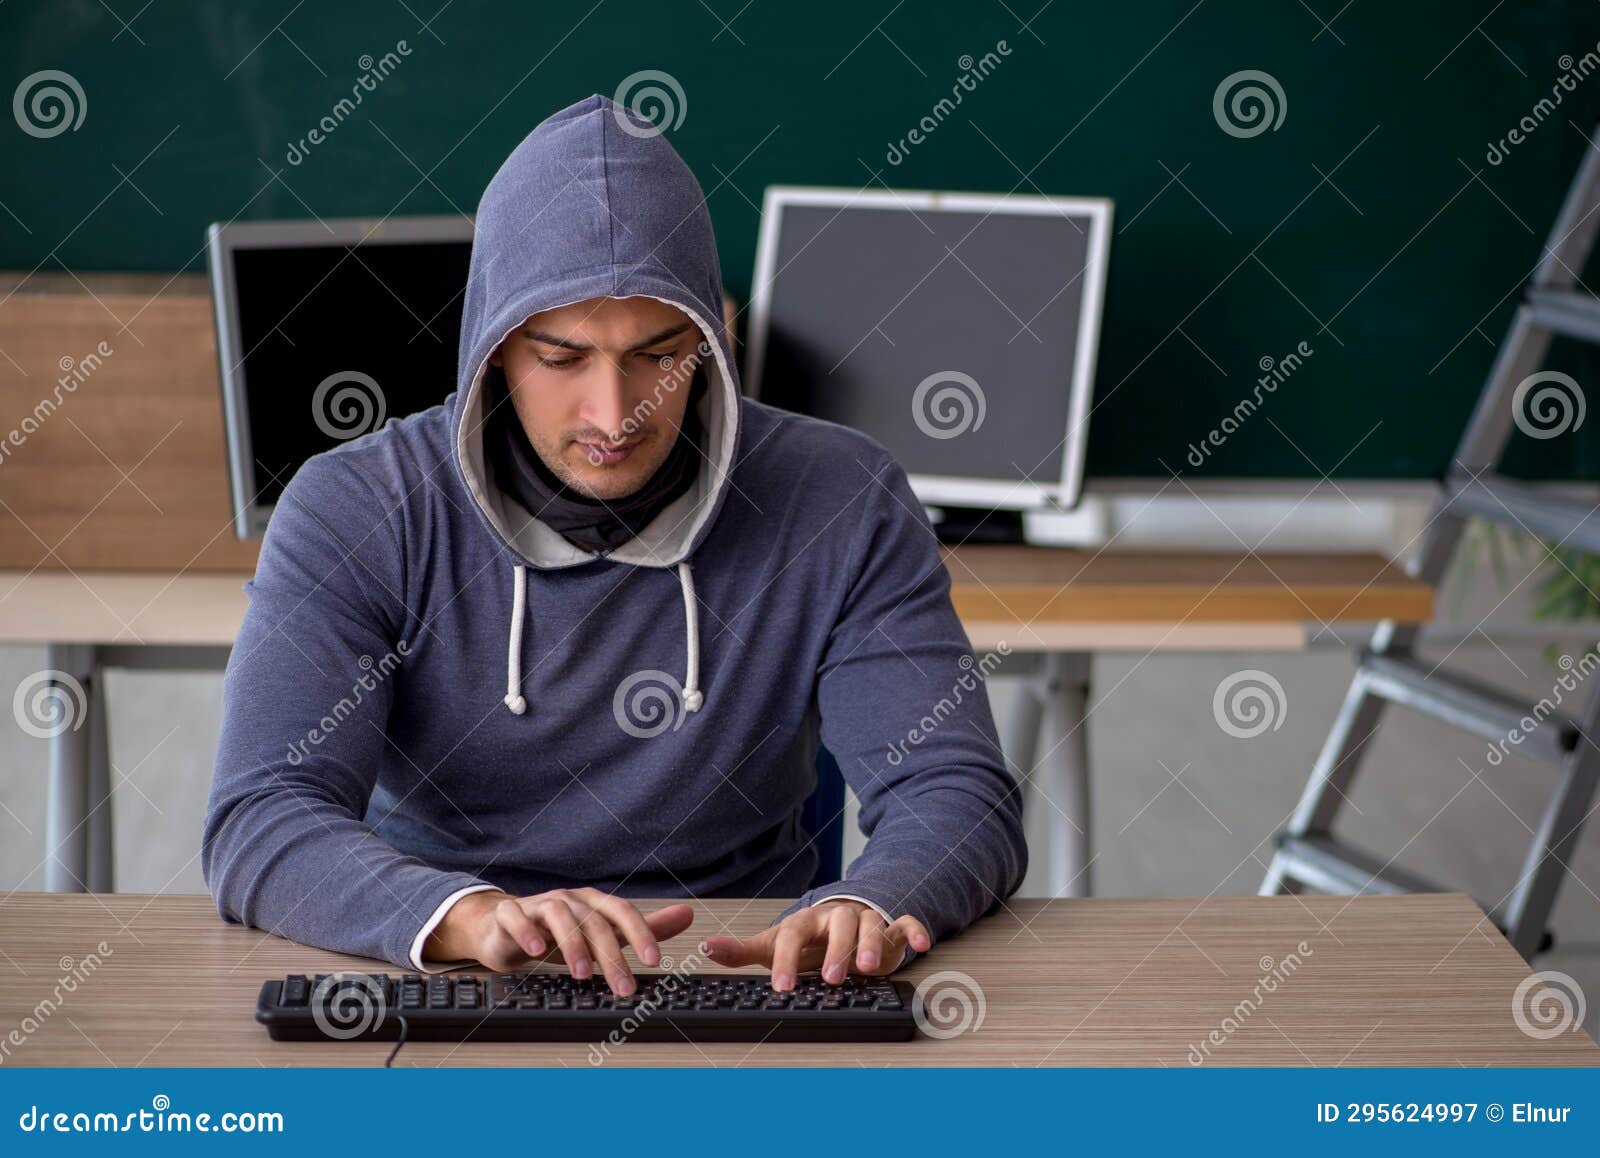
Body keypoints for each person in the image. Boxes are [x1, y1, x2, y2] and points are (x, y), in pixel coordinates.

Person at [202, 93, 1026, 996]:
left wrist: (874, 904)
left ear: (713, 335)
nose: (613, 412)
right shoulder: (357, 507)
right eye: (561, 359)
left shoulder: (843, 499)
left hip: (752, 983)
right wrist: (467, 917)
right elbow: (262, 814)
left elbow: (955, 793)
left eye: (660, 353)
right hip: (453, 975)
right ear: (493, 347)